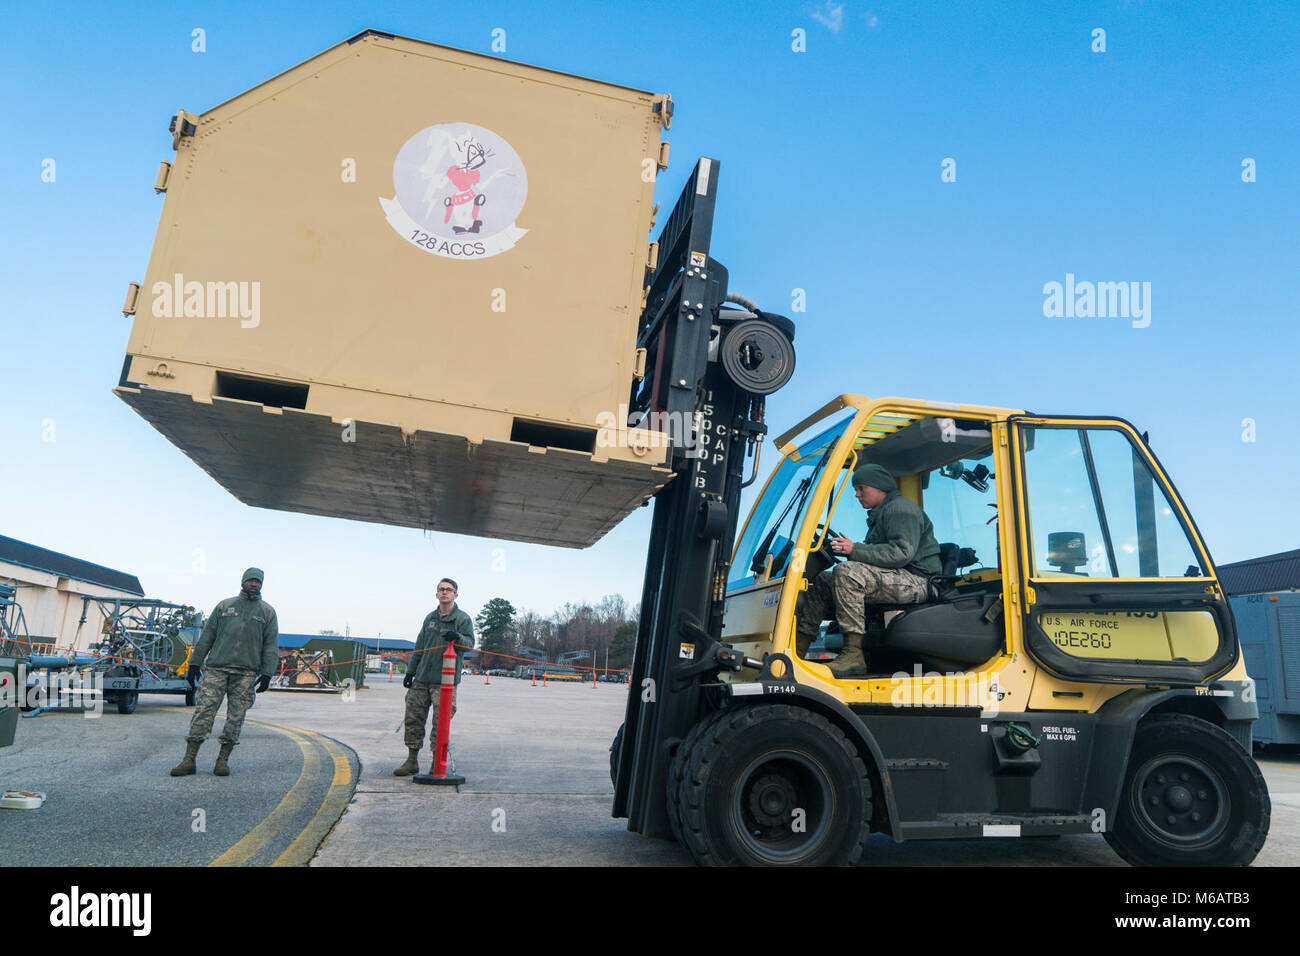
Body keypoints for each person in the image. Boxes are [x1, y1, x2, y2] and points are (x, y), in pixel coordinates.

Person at [795, 464, 941, 678]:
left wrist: (855, 550)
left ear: (880, 486)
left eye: (862, 488)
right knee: (824, 580)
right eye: (856, 489)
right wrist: (852, 550)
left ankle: (853, 655)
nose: (857, 494)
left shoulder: (900, 509)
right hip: (899, 577)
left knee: (847, 573)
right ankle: (797, 649)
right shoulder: (880, 513)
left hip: (919, 581)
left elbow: (901, 553)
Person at [170, 567, 278, 776]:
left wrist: (267, 673)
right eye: (251, 580)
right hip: (216, 670)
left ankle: (222, 760)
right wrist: (194, 664)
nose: (254, 584)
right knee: (203, 712)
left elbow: (271, 645)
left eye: (258, 581)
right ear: (242, 582)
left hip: (246, 673)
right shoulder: (224, 606)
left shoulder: (267, 612)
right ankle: (189, 760)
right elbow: (208, 636)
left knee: (236, 717)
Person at [394, 578, 475, 776]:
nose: (445, 592)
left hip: (444, 682)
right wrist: (411, 672)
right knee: (413, 718)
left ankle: (436, 763)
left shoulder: (462, 619)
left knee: (441, 722)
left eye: (449, 590)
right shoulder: (430, 618)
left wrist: (457, 637)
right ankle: (412, 760)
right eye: (441, 589)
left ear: (456, 595)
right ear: (437, 594)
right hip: (422, 678)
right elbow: (420, 646)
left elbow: (469, 645)